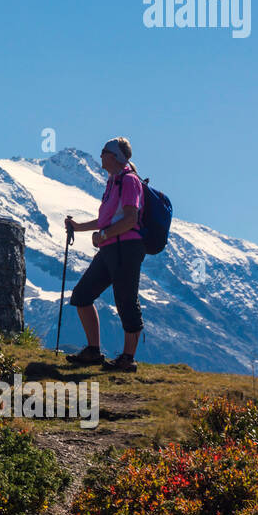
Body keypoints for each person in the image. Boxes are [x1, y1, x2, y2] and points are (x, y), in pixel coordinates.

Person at [64, 137, 145, 372]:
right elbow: (106, 219)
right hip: (111, 248)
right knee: (82, 295)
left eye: (103, 152)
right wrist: (78, 227)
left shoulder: (129, 181)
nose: (100, 156)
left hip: (126, 248)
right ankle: (93, 351)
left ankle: (127, 359)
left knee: (126, 300)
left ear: (115, 156)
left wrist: (104, 235)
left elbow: (131, 219)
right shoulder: (113, 182)